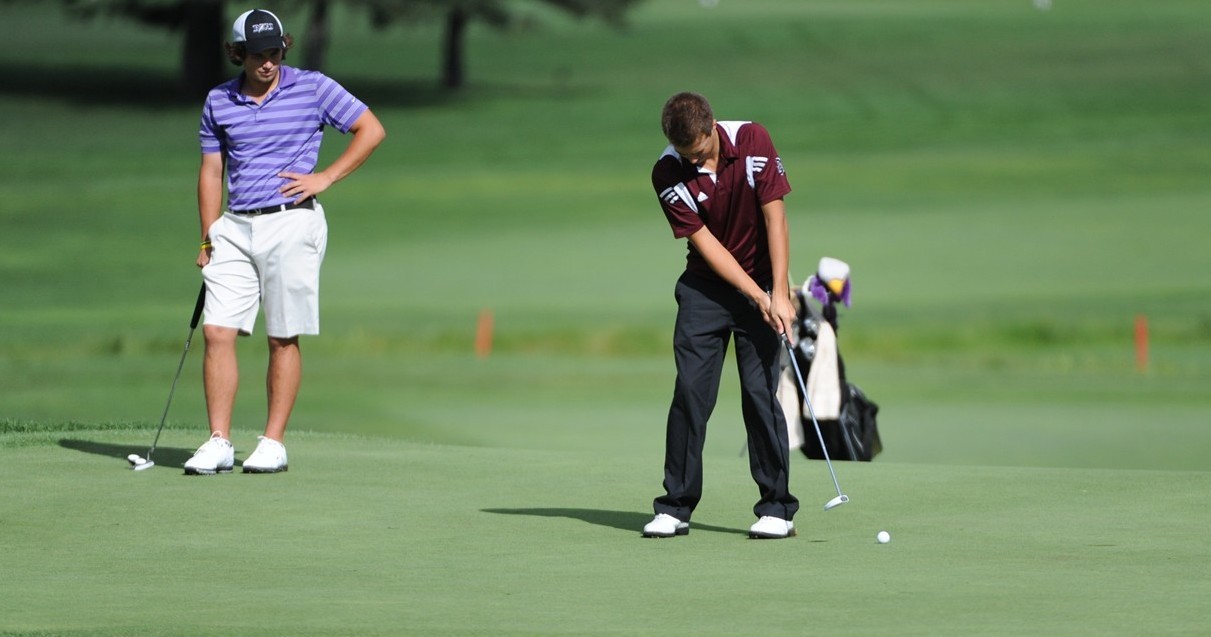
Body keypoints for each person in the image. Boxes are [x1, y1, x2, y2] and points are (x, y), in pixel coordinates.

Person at [184, 8, 386, 475]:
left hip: (292, 222)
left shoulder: (312, 87)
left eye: (274, 52)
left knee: (281, 334)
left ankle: (273, 442)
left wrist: (326, 177)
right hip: (233, 226)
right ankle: (219, 441)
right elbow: (211, 171)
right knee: (217, 331)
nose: (268, 63)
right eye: (257, 55)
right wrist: (207, 236)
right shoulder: (219, 100)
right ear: (238, 53)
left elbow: (371, 129)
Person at [643, 92, 800, 538]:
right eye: (684, 154)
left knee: (758, 393)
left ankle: (777, 508)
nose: (693, 161)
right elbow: (708, 247)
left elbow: (776, 219)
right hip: (706, 290)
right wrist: (756, 295)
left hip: (765, 281)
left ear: (712, 125)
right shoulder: (667, 171)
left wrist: (781, 292)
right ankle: (674, 506)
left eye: (699, 151)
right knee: (691, 392)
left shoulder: (753, 140)